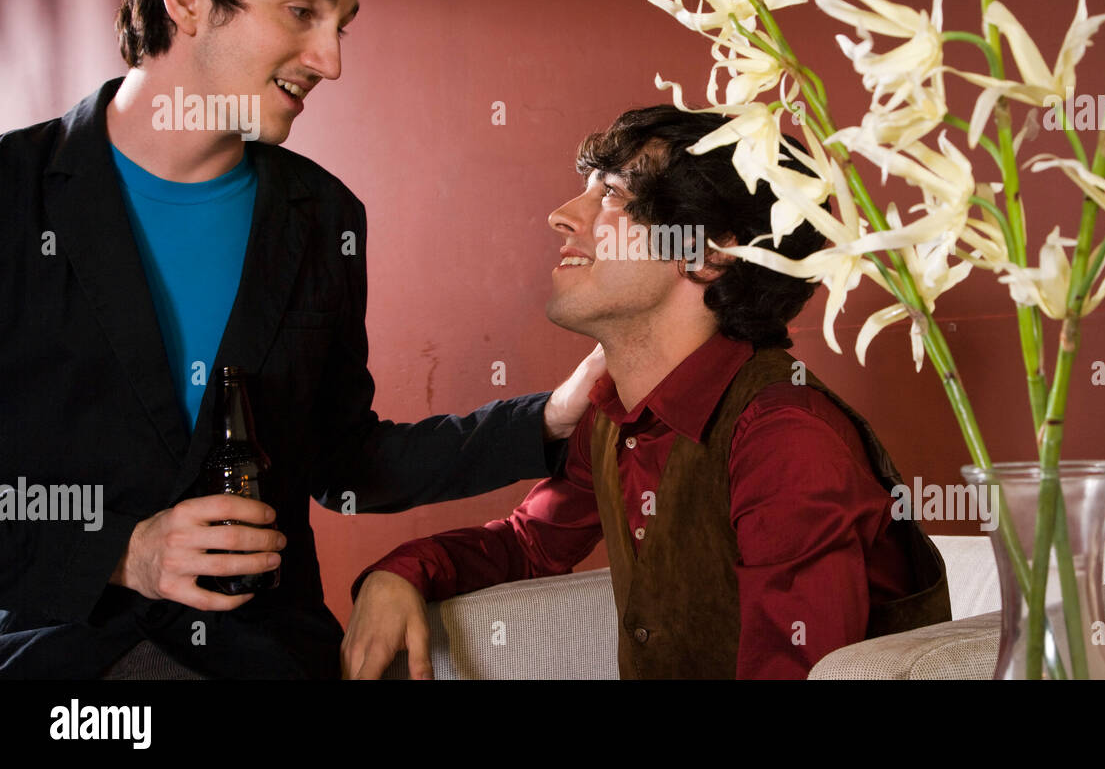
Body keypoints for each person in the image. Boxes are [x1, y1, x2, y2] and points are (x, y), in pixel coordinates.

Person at [0, 0, 602, 679]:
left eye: (342, 24)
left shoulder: (322, 216)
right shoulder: (11, 194)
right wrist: (122, 551)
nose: (331, 60)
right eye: (302, 11)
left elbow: (343, 462)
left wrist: (545, 421)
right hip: (57, 661)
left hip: (266, 657)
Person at [342, 105, 950, 680]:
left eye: (610, 194)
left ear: (708, 252)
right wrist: (401, 574)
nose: (562, 215)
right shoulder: (615, 414)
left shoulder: (782, 439)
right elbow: (529, 543)